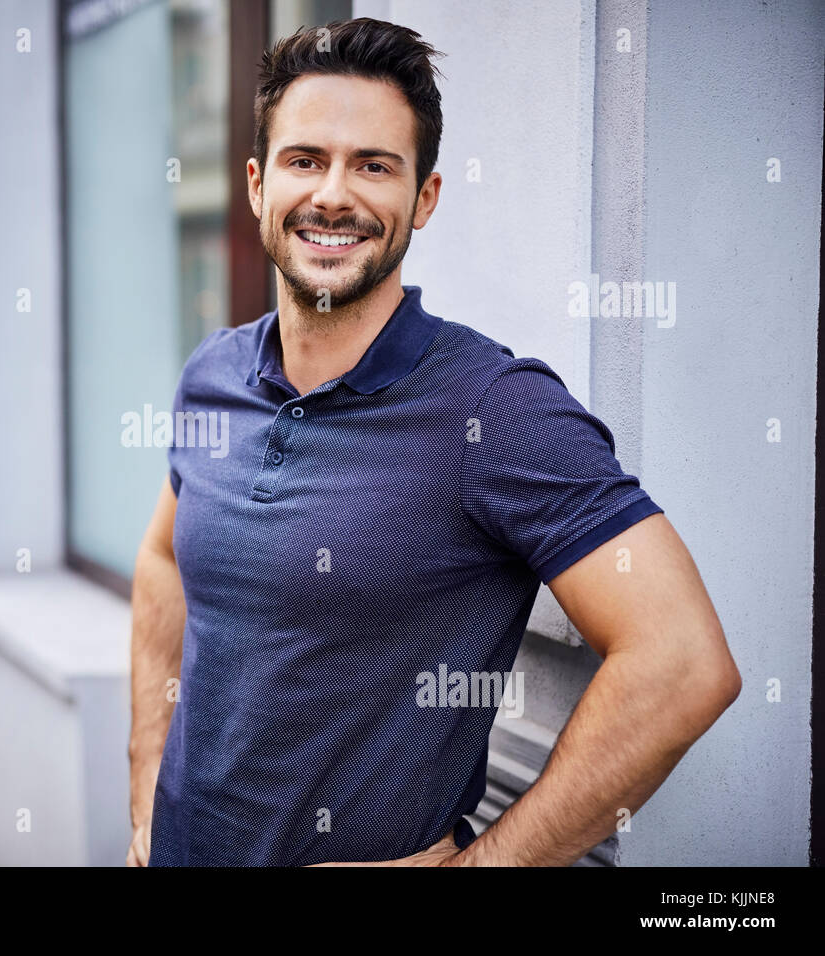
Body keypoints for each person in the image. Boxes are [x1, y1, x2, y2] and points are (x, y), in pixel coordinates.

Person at [127, 18, 740, 867]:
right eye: (306, 160)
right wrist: (145, 772)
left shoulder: (495, 409)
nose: (333, 195)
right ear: (258, 186)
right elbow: (162, 556)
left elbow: (683, 664)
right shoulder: (213, 375)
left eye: (373, 165)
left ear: (424, 198)